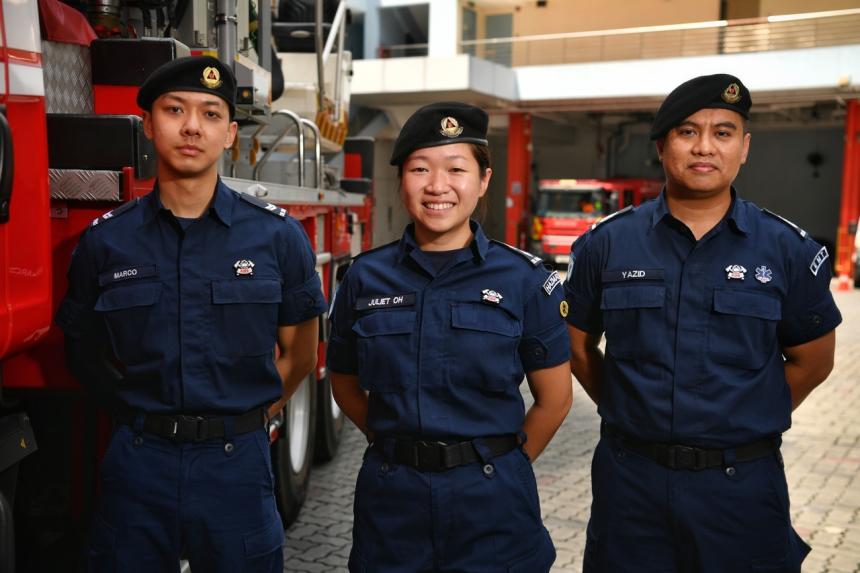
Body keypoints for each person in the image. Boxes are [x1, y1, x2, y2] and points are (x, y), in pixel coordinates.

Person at [56, 56, 326, 572]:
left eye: (210, 113)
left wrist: (248, 420)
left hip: (237, 467)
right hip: (138, 465)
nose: (191, 127)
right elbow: (82, 351)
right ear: (149, 125)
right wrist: (139, 416)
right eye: (175, 110)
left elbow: (301, 354)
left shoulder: (277, 238)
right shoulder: (106, 241)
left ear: (229, 134)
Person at [565, 74, 841, 572]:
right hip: (632, 486)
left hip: (741, 489)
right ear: (661, 145)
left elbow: (813, 360)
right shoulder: (607, 244)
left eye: (723, 132)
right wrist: (627, 405)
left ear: (745, 146)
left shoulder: (786, 249)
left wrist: (741, 415)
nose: (705, 147)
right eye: (687, 132)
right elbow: (577, 346)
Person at [327, 102, 573, 572]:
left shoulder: (523, 279)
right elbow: (344, 383)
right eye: (420, 169)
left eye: (456, 168)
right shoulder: (365, 276)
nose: (437, 186)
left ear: (483, 181)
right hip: (392, 501)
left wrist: (505, 467)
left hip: (492, 504)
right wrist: (396, 446)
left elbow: (556, 398)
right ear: (402, 181)